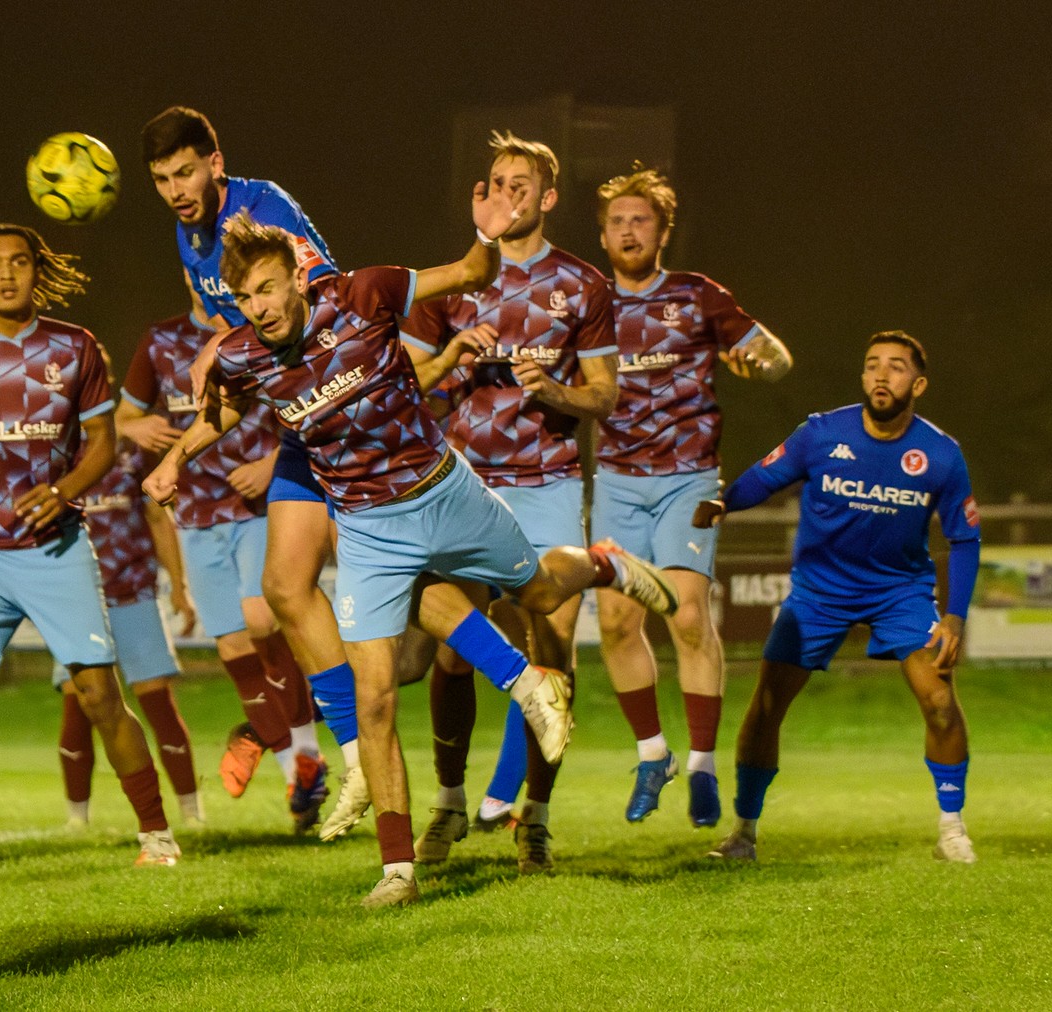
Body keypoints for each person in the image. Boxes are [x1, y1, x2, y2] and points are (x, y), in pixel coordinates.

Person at [143, 186, 677, 907]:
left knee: (542, 595)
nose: (258, 306)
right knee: (375, 700)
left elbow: (467, 274)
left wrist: (485, 238)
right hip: (366, 528)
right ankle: (396, 870)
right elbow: (228, 407)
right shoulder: (243, 355)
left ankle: (604, 563)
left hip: (444, 492)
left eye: (268, 289)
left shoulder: (365, 292)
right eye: (244, 296)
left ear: (297, 277)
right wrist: (176, 458)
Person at [0, 224, 180, 873]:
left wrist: (63, 492)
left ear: (38, 271)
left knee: (96, 693)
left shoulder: (75, 346)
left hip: (54, 547)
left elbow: (103, 444)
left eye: (20, 263)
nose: (7, 275)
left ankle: (156, 835)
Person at [402, 131, 615, 870]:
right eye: (497, 182)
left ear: (548, 197)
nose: (508, 194)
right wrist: (454, 357)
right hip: (464, 484)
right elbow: (406, 381)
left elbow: (605, 393)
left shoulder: (582, 284)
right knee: (452, 656)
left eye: (522, 184)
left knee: (550, 653)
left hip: (548, 484)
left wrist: (556, 391)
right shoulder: (450, 280)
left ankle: (537, 817)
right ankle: (450, 803)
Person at [697, 331, 981, 865]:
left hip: (901, 594)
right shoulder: (823, 432)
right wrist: (723, 503)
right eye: (872, 364)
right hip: (819, 594)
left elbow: (965, 538)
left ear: (917, 384)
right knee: (766, 707)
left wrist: (956, 618)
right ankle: (743, 834)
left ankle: (952, 829)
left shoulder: (941, 454)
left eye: (896, 367)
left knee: (940, 702)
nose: (880, 375)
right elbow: (765, 476)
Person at [141, 107, 336, 822]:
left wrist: (218, 346)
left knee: (299, 617)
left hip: (338, 415)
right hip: (295, 429)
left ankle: (299, 740)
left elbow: (325, 291)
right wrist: (221, 342)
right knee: (266, 617)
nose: (176, 189)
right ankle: (309, 759)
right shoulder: (187, 234)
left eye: (185, 172)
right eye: (162, 180)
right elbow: (231, 324)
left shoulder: (265, 206)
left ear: (215, 162)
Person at [589, 165, 794, 827]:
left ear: (662, 232)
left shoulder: (697, 296)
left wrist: (761, 360)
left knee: (682, 614)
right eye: (617, 221)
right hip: (617, 480)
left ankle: (702, 765)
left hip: (687, 477)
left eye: (639, 220)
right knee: (617, 623)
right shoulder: (587, 303)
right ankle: (654, 755)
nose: (628, 230)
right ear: (602, 235)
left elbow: (775, 355)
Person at [121, 309, 336, 833]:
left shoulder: (259, 329)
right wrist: (134, 424)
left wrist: (272, 465)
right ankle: (298, 775)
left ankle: (300, 744)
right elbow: (121, 417)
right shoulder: (162, 339)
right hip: (195, 516)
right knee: (234, 648)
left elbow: (309, 402)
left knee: (262, 621)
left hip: (263, 507)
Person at [57, 438, 206, 829]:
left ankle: (191, 811)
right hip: (75, 600)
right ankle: (77, 818)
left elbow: (158, 518)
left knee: (158, 703)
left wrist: (178, 585)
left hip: (135, 593)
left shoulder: (133, 451)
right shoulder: (56, 444)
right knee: (79, 707)